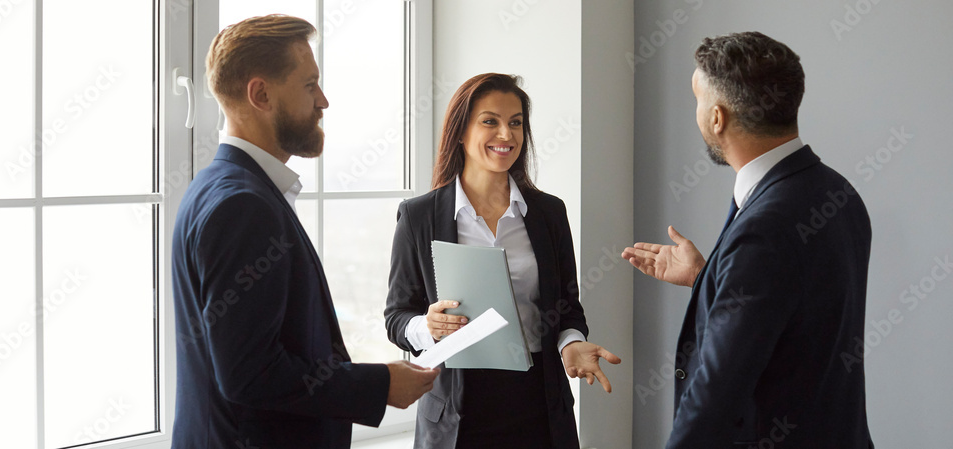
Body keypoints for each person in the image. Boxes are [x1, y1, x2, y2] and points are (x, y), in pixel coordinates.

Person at [170, 15, 438, 449]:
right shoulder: (243, 206)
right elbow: (250, 374)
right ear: (261, 94)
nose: (324, 101)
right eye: (310, 85)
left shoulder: (217, 187)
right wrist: (379, 385)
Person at [622, 32, 874, 448]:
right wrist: (709, 278)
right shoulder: (837, 192)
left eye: (697, 100)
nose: (697, 113)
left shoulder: (764, 227)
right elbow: (792, 309)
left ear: (717, 117)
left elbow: (717, 391)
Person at [384, 73, 621, 449]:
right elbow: (396, 317)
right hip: (456, 414)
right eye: (490, 121)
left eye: (516, 123)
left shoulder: (548, 213)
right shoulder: (419, 216)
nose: (506, 135)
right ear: (461, 131)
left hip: (538, 406)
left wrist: (571, 343)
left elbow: (567, 308)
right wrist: (427, 326)